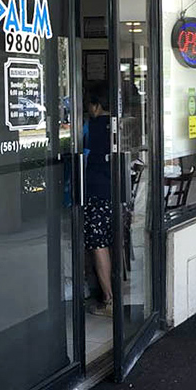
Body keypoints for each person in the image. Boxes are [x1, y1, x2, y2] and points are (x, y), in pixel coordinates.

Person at [84, 83, 114, 317]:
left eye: (88, 105)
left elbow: (83, 155)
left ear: (96, 105)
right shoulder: (116, 124)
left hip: (96, 191)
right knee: (109, 242)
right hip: (114, 191)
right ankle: (113, 294)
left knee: (98, 245)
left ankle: (108, 298)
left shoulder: (92, 126)